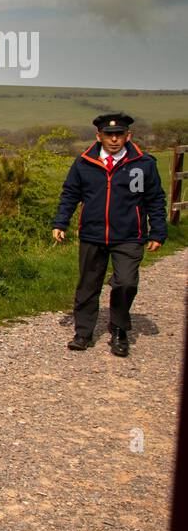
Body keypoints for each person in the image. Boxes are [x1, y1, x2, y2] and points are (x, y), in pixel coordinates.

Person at [51, 113, 167, 356]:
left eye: (119, 135)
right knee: (88, 285)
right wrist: (60, 223)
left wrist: (158, 231)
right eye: (108, 135)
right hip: (92, 234)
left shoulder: (143, 163)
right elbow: (70, 194)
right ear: (99, 136)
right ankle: (83, 333)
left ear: (128, 136)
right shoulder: (84, 162)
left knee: (125, 283)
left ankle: (119, 330)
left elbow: (155, 199)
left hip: (130, 235)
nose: (114, 140)